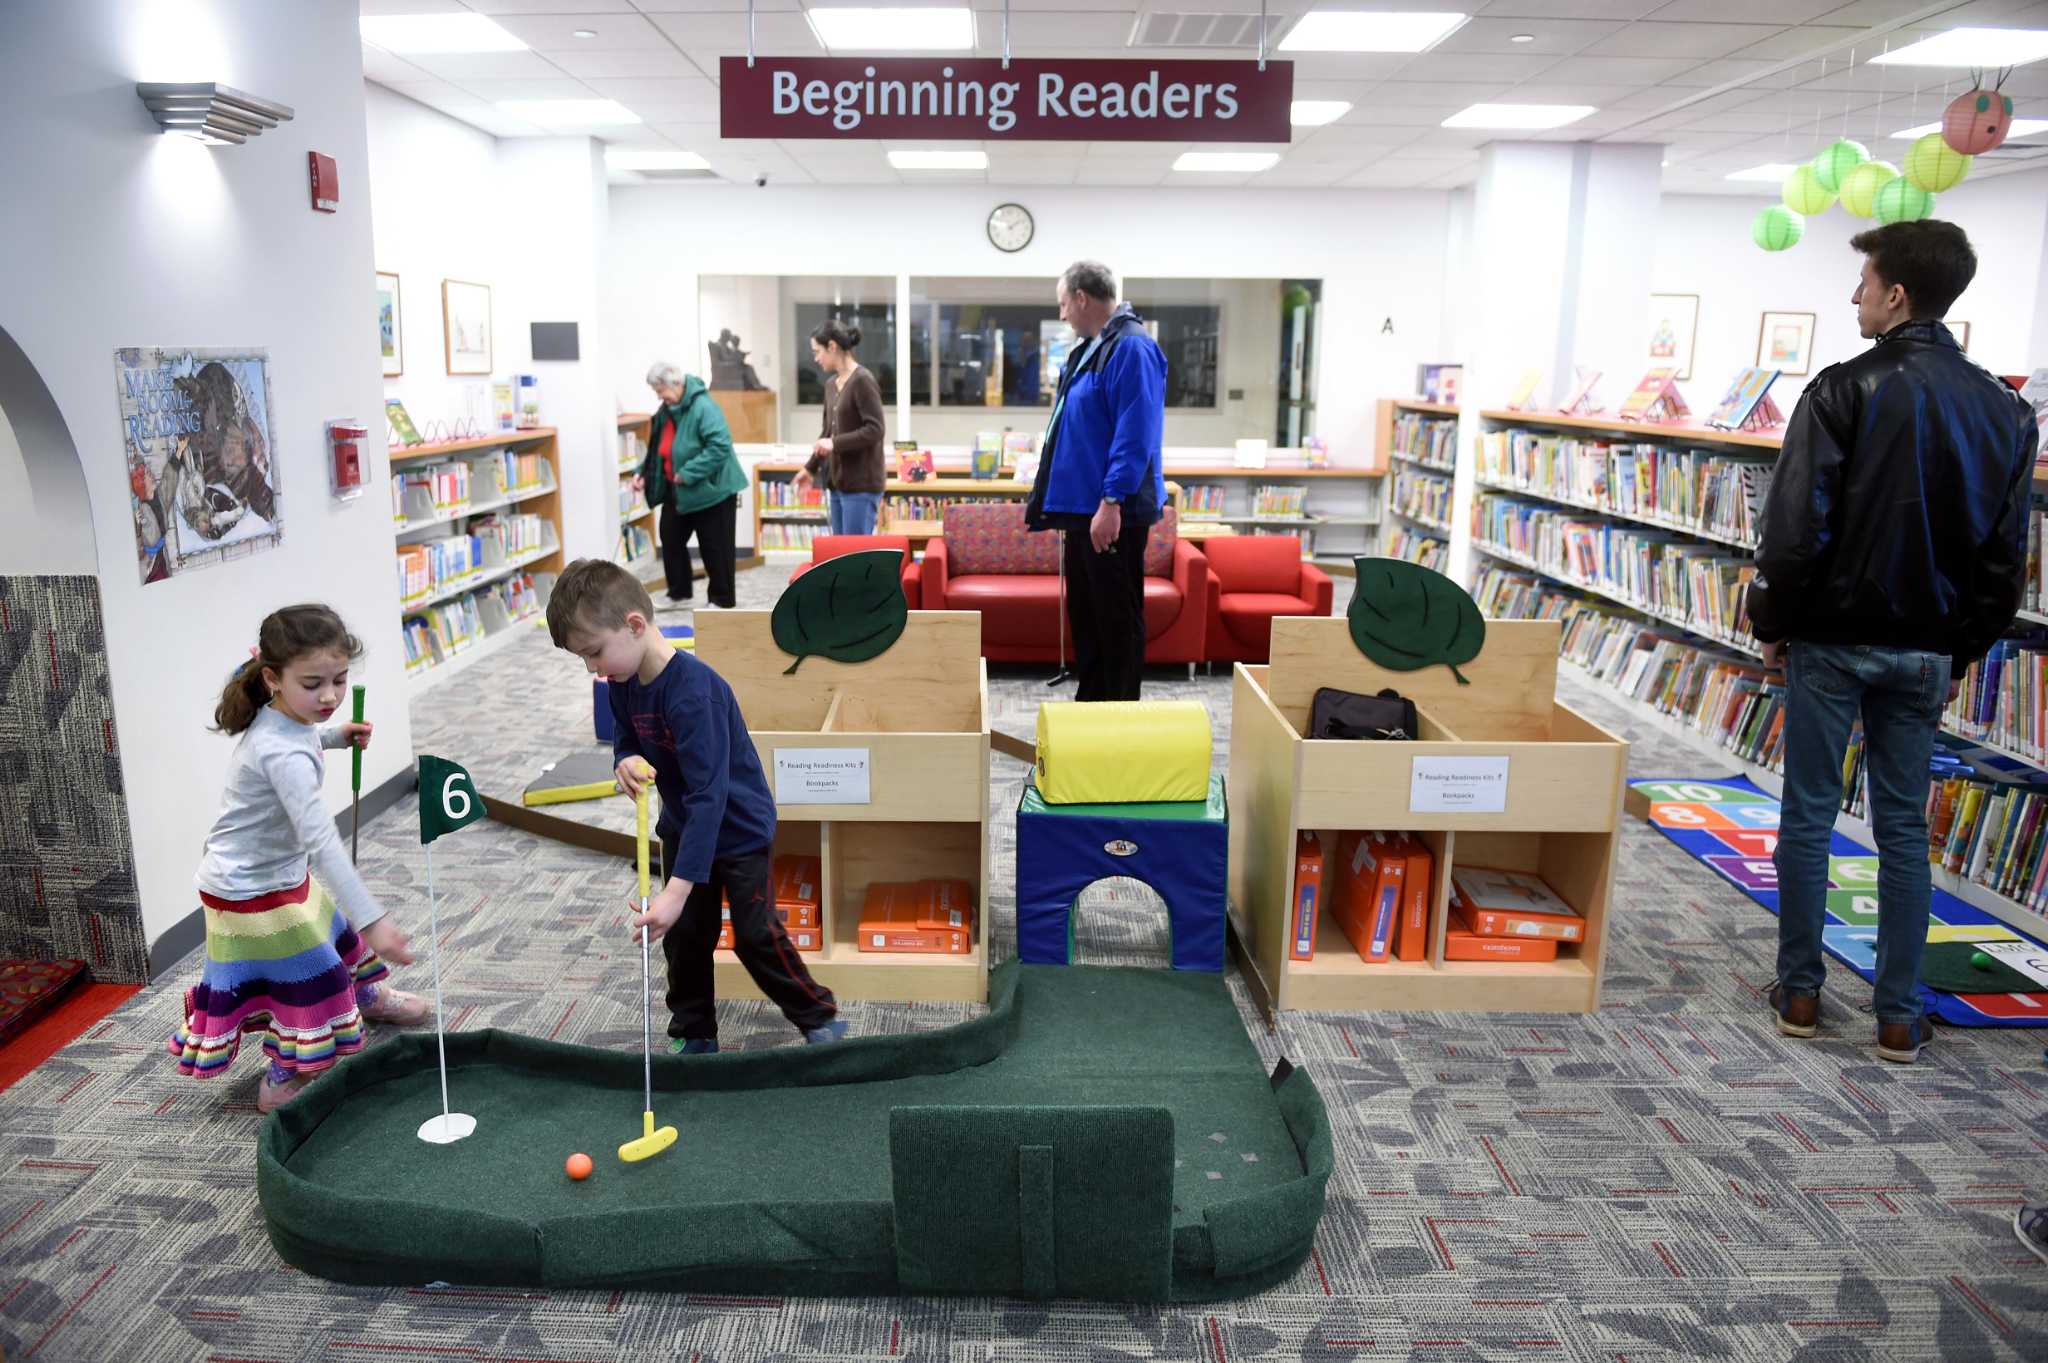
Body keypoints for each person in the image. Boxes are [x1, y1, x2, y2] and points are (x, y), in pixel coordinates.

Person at [1748, 220, 2037, 1064]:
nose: (1855, 296)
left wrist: (1775, 625)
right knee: (1904, 828)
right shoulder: (2009, 411)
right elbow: (2002, 558)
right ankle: (1899, 1015)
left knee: (1807, 814)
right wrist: (1963, 648)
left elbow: (1795, 531)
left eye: (1864, 283)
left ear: (1898, 294)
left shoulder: (1839, 390)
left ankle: (1801, 992)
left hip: (1832, 641)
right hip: (1927, 649)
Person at [546, 559, 846, 1053]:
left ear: (635, 625)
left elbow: (712, 796)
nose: (592, 669)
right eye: (583, 658)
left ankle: (819, 1016)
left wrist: (677, 889)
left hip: (737, 828)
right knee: (685, 937)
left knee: (754, 935)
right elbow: (626, 737)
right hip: (685, 825)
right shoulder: (622, 683)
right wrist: (625, 759)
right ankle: (694, 1032)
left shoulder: (694, 694)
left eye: (594, 652)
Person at [168, 605, 427, 1113]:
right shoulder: (280, 754)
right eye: (314, 684)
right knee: (310, 975)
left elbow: (299, 733)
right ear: (273, 679)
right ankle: (283, 1075)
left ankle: (365, 999)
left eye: (339, 679)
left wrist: (334, 735)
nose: (329, 696)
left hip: (274, 872)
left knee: (326, 929)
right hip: (248, 887)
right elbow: (321, 841)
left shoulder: (288, 716)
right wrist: (373, 918)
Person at [1024, 260, 1167, 701]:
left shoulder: (1131, 348)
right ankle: (1092, 709)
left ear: (1082, 298)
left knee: (1116, 618)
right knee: (1088, 617)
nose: (1063, 314)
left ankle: (1118, 717)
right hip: (1082, 510)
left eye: (1064, 304)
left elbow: (1135, 431)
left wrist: (1112, 501)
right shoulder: (1093, 347)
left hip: (1110, 513)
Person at [635, 362, 746, 611]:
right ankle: (679, 592)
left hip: (712, 490)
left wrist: (688, 472)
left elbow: (719, 446)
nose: (658, 395)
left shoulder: (703, 407)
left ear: (676, 384)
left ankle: (721, 599)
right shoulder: (667, 410)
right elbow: (657, 449)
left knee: (715, 546)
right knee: (671, 537)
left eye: (660, 389)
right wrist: (642, 474)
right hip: (679, 489)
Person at [794, 318, 886, 535]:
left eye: (817, 351)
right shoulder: (830, 385)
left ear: (832, 347)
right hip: (837, 483)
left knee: (853, 557)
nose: (816, 358)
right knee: (839, 556)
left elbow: (875, 429)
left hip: (861, 486)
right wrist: (810, 468)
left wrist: (834, 443)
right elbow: (827, 433)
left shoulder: (863, 380)